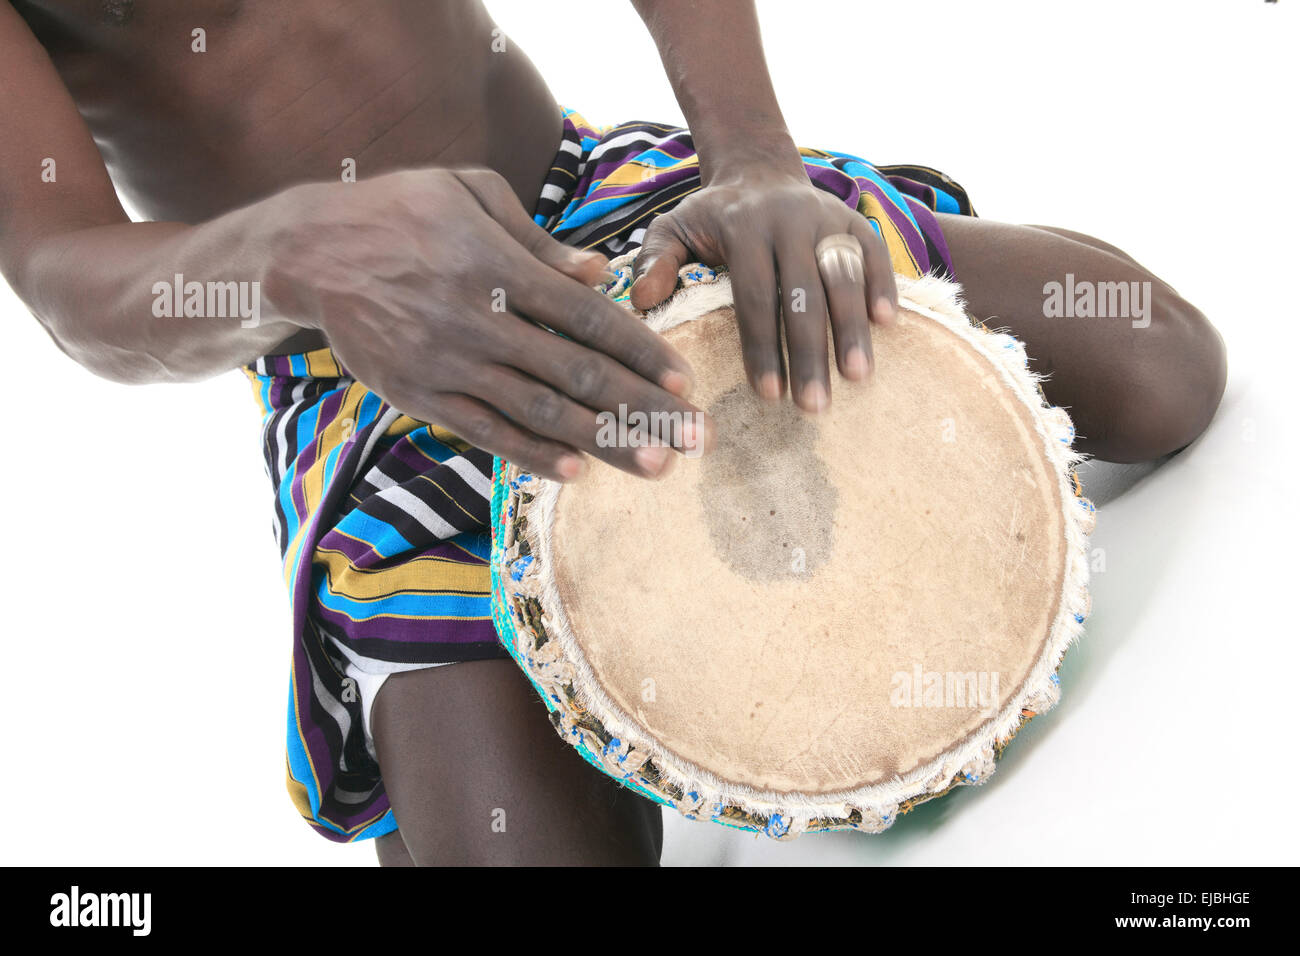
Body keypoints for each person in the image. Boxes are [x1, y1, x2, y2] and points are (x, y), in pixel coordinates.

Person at [0, 0, 1225, 865]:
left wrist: (752, 162)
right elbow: (62, 272)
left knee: (1163, 371)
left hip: (612, 208)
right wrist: (303, 255)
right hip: (360, 346)